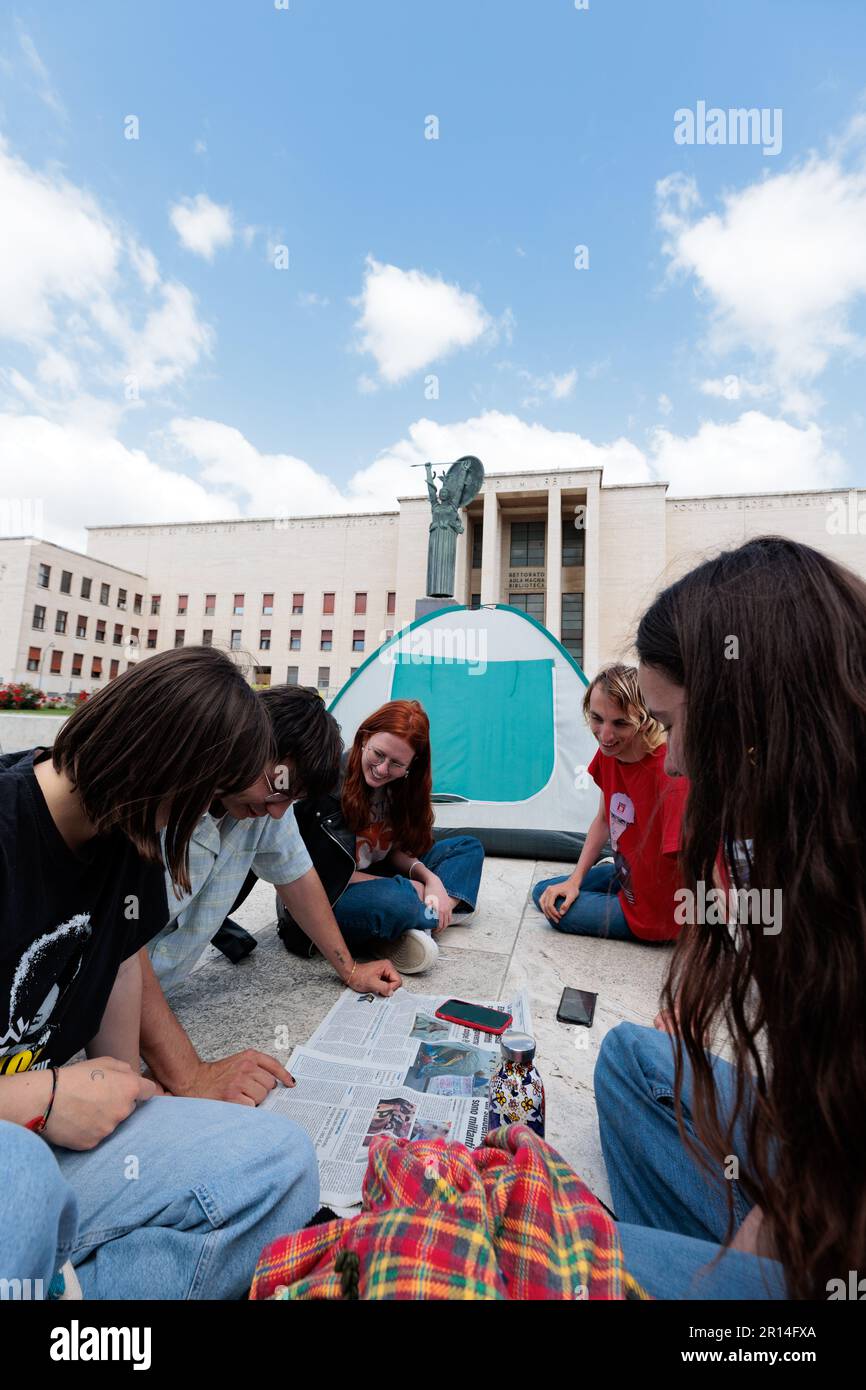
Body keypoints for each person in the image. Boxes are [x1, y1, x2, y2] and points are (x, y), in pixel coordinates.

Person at [0, 647, 319, 1299]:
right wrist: (39, 1101)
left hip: (53, 1134)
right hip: (20, 1140)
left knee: (279, 1162)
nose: (203, 820)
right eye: (204, 798)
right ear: (162, 768)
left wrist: (146, 1096)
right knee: (23, 1176)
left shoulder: (132, 840)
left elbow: (115, 993)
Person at [595, 536, 866, 1299]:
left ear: (765, 718)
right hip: (829, 1163)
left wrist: (793, 1220)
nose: (673, 759)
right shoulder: (806, 837)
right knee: (631, 1060)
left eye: (677, 723)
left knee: (535, 1257)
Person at [141, 685, 401, 1106]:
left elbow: (298, 880)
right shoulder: (160, 805)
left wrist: (350, 970)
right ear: (244, 744)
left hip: (143, 1002)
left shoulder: (263, 805)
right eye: (278, 787)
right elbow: (119, 951)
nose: (279, 810)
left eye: (292, 798)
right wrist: (185, 1072)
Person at [282, 699, 484, 974]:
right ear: (365, 738)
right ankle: (436, 913)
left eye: (397, 764)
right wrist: (413, 889)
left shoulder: (401, 788)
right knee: (396, 900)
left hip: (378, 875)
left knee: (467, 847)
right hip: (329, 894)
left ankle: (427, 916)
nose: (382, 769)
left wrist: (429, 879)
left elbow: (395, 850)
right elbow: (321, 874)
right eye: (378, 754)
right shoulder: (328, 783)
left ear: (412, 765)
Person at [533, 664, 688, 941]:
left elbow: (693, 860)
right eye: (597, 718)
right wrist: (575, 880)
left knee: (556, 909)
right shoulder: (610, 752)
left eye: (620, 723)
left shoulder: (669, 773)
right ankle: (612, 872)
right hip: (630, 876)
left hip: (656, 912)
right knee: (543, 891)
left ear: (645, 719)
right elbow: (604, 820)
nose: (605, 735)